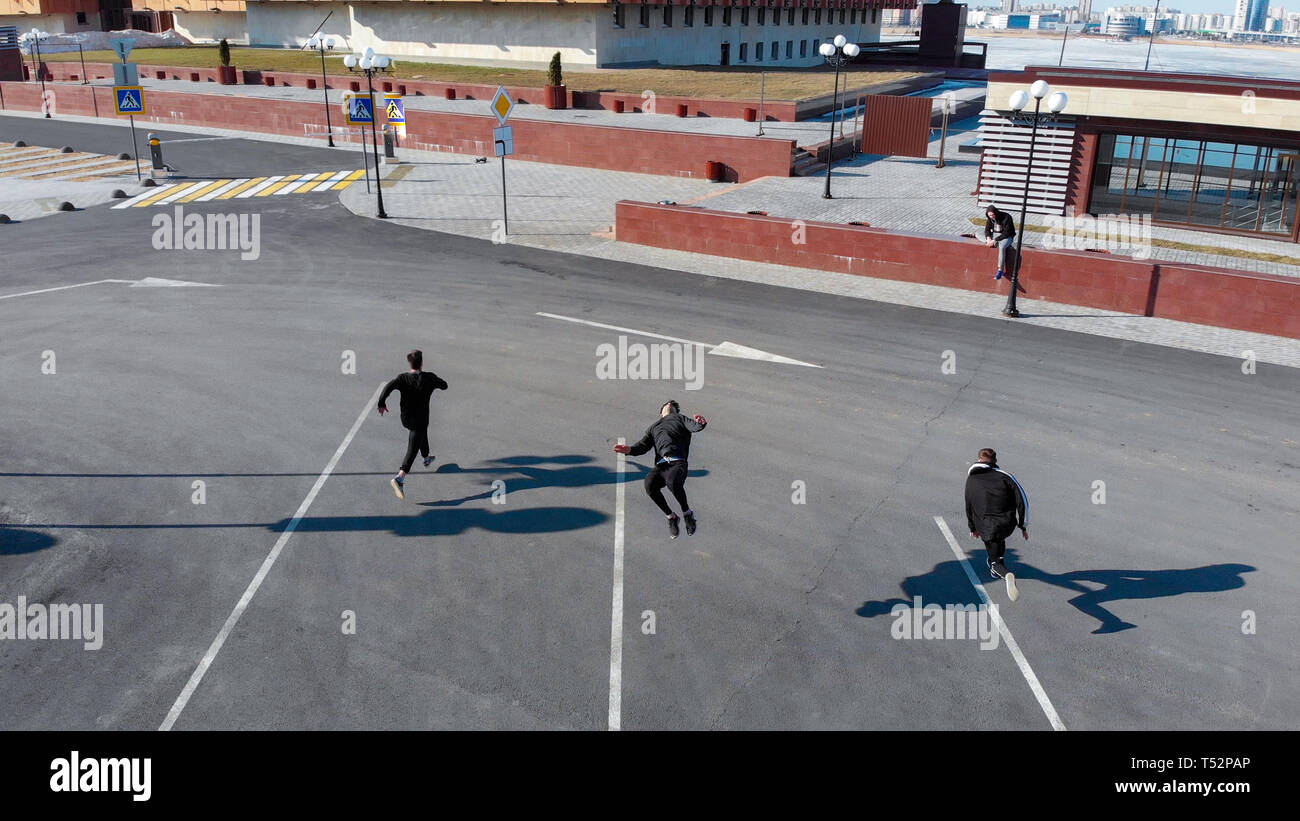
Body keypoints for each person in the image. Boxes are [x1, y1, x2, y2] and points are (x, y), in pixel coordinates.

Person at [613, 400, 707, 539]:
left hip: (678, 463)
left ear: (676, 411)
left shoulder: (680, 418)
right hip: (661, 465)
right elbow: (642, 446)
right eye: (667, 404)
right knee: (649, 485)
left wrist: (700, 423)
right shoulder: (653, 427)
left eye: (673, 405)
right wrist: (629, 450)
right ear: (660, 412)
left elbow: (694, 426)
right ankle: (671, 517)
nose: (669, 404)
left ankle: (687, 514)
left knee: (672, 482)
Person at [378, 349, 448, 500]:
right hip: (420, 419)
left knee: (421, 431)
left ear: (410, 362)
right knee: (412, 447)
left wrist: (381, 403)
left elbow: (387, 387)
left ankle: (426, 456)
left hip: (406, 418)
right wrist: (436, 383)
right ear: (422, 363)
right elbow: (445, 385)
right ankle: (400, 478)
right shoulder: (429, 378)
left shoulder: (402, 378)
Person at [964, 447, 1028, 600]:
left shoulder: (972, 479)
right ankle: (998, 564)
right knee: (999, 537)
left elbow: (969, 504)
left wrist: (972, 527)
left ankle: (1003, 572)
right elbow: (1022, 501)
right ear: (995, 461)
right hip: (1007, 524)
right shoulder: (1006, 477)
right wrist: (1023, 525)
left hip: (986, 526)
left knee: (994, 554)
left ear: (979, 460)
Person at [983, 206, 1017, 281]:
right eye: (990, 216)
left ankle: (1000, 270)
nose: (992, 217)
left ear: (996, 212)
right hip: (996, 236)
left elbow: (1007, 233)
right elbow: (987, 230)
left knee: (1002, 247)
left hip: (1007, 237)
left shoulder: (1007, 217)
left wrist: (995, 240)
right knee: (983, 237)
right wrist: (988, 238)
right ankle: (975, 235)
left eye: (993, 215)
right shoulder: (990, 219)